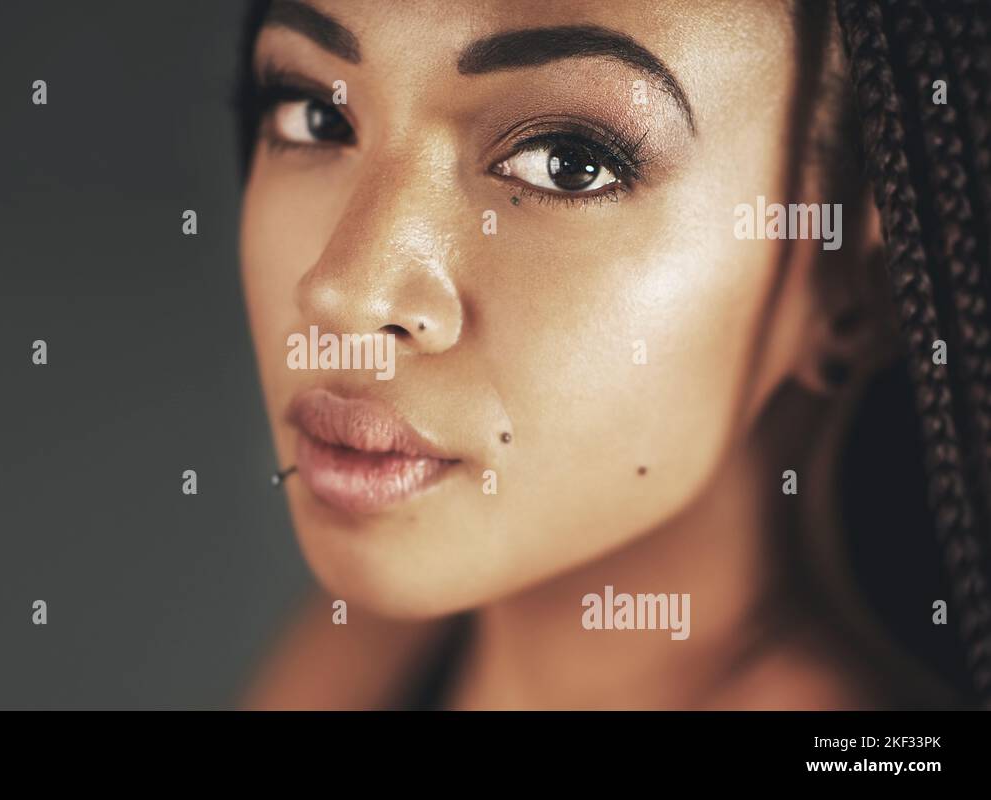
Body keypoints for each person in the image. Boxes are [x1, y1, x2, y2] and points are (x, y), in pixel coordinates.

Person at [234, 0, 991, 709]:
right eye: (318, 116)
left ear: (857, 284)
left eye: (569, 161)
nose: (341, 293)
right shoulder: (371, 649)